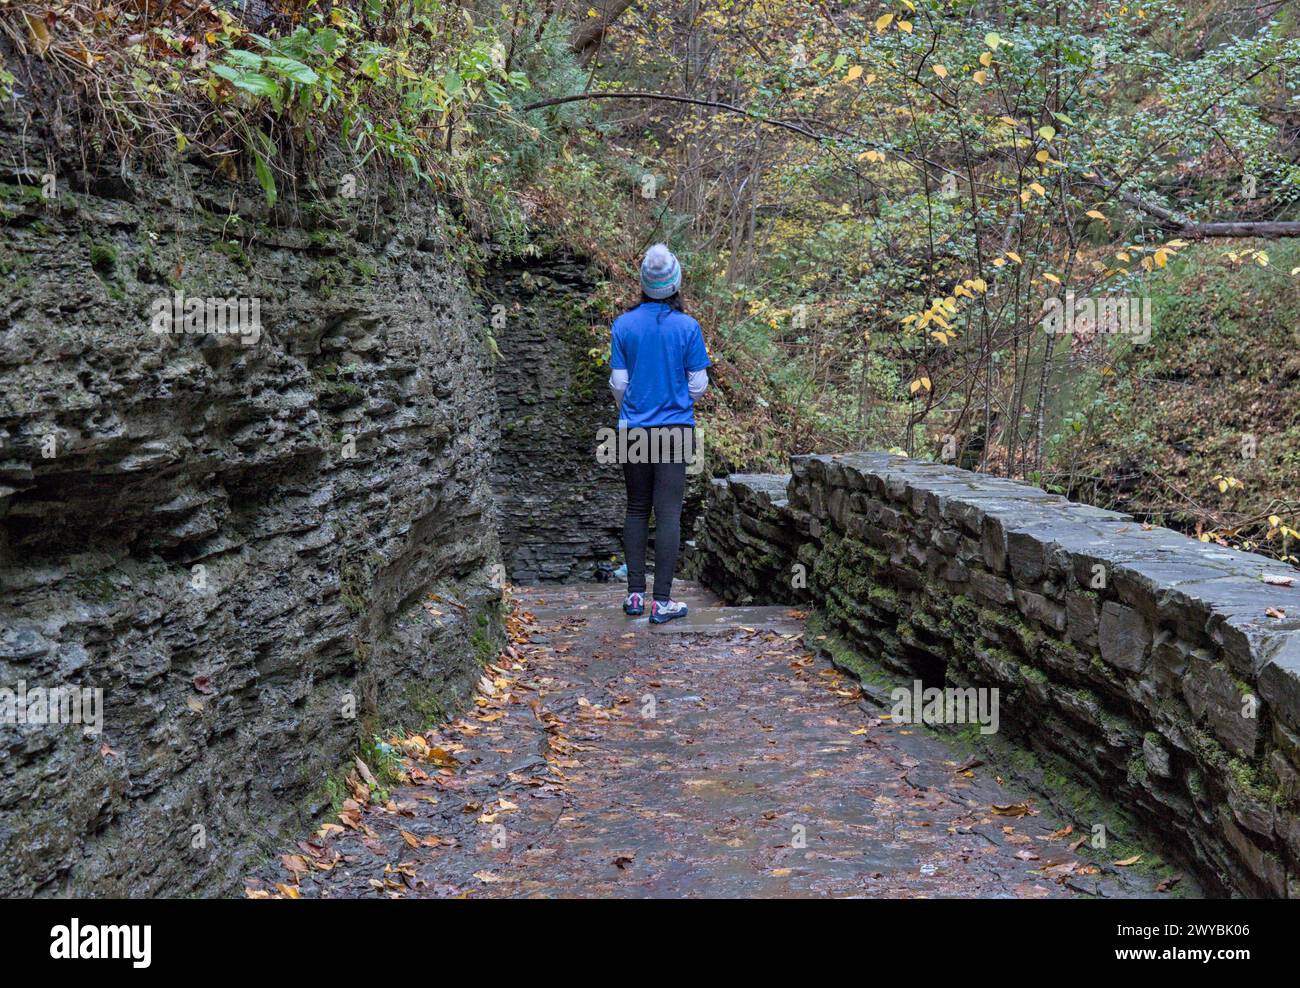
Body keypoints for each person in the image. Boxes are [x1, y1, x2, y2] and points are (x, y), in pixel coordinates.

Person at [608, 244, 710, 624]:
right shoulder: (688, 327)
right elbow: (699, 384)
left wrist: (632, 401)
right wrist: (677, 395)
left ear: (643, 284)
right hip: (675, 428)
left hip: (633, 428)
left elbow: (619, 381)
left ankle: (635, 594)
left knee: (636, 508)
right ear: (676, 283)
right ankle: (662, 602)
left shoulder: (623, 325)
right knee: (668, 514)